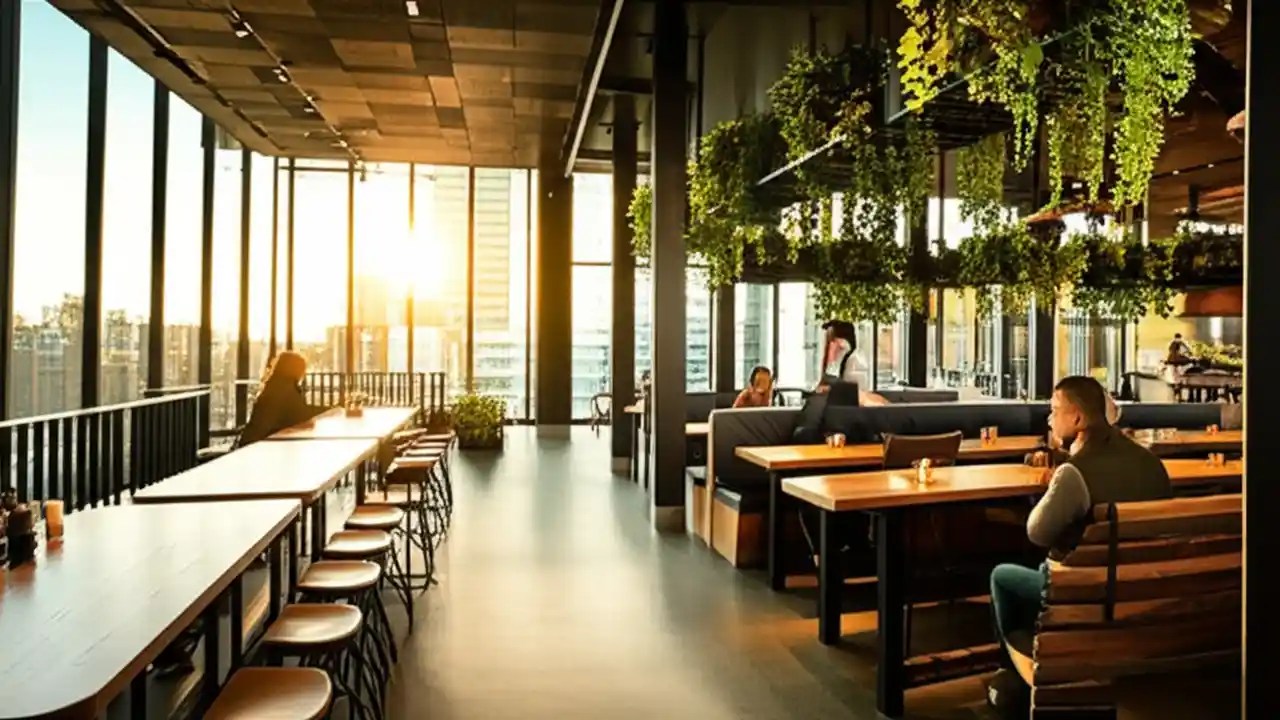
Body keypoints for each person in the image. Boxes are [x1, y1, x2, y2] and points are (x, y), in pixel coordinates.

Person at [987, 376, 1170, 703]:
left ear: (1077, 419)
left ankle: (1019, 673)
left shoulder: (1075, 472)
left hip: (1092, 596)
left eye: (1054, 409)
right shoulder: (1152, 463)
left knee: (1003, 576)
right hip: (1147, 594)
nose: (1049, 418)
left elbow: (1037, 532)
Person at [238, 351, 329, 446]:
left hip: (255, 442)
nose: (303, 373)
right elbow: (302, 414)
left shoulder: (275, 385)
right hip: (261, 445)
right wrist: (332, 409)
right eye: (302, 369)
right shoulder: (286, 389)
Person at [815, 320, 889, 406]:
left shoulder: (852, 360)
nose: (830, 344)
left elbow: (853, 393)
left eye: (833, 339)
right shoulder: (853, 359)